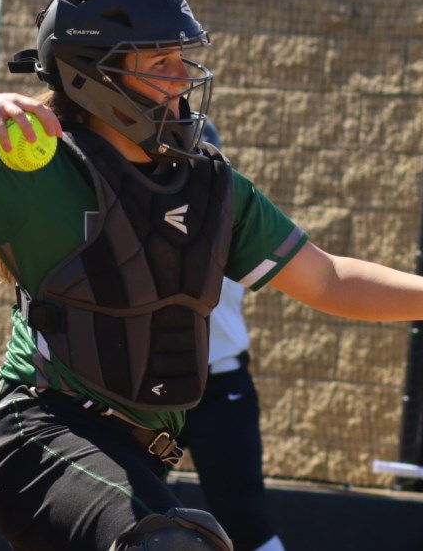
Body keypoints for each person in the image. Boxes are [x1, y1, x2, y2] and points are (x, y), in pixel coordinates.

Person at [0, 0, 423, 551]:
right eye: (160, 62)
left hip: (135, 459)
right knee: (173, 542)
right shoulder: (36, 169)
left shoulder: (213, 187)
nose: (182, 76)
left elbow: (330, 280)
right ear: (95, 75)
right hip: (39, 441)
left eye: (182, 56)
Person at [178, 122, 285, 551]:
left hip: (220, 386)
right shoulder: (137, 208)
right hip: (146, 387)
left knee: (243, 517)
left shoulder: (232, 214)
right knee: (129, 512)